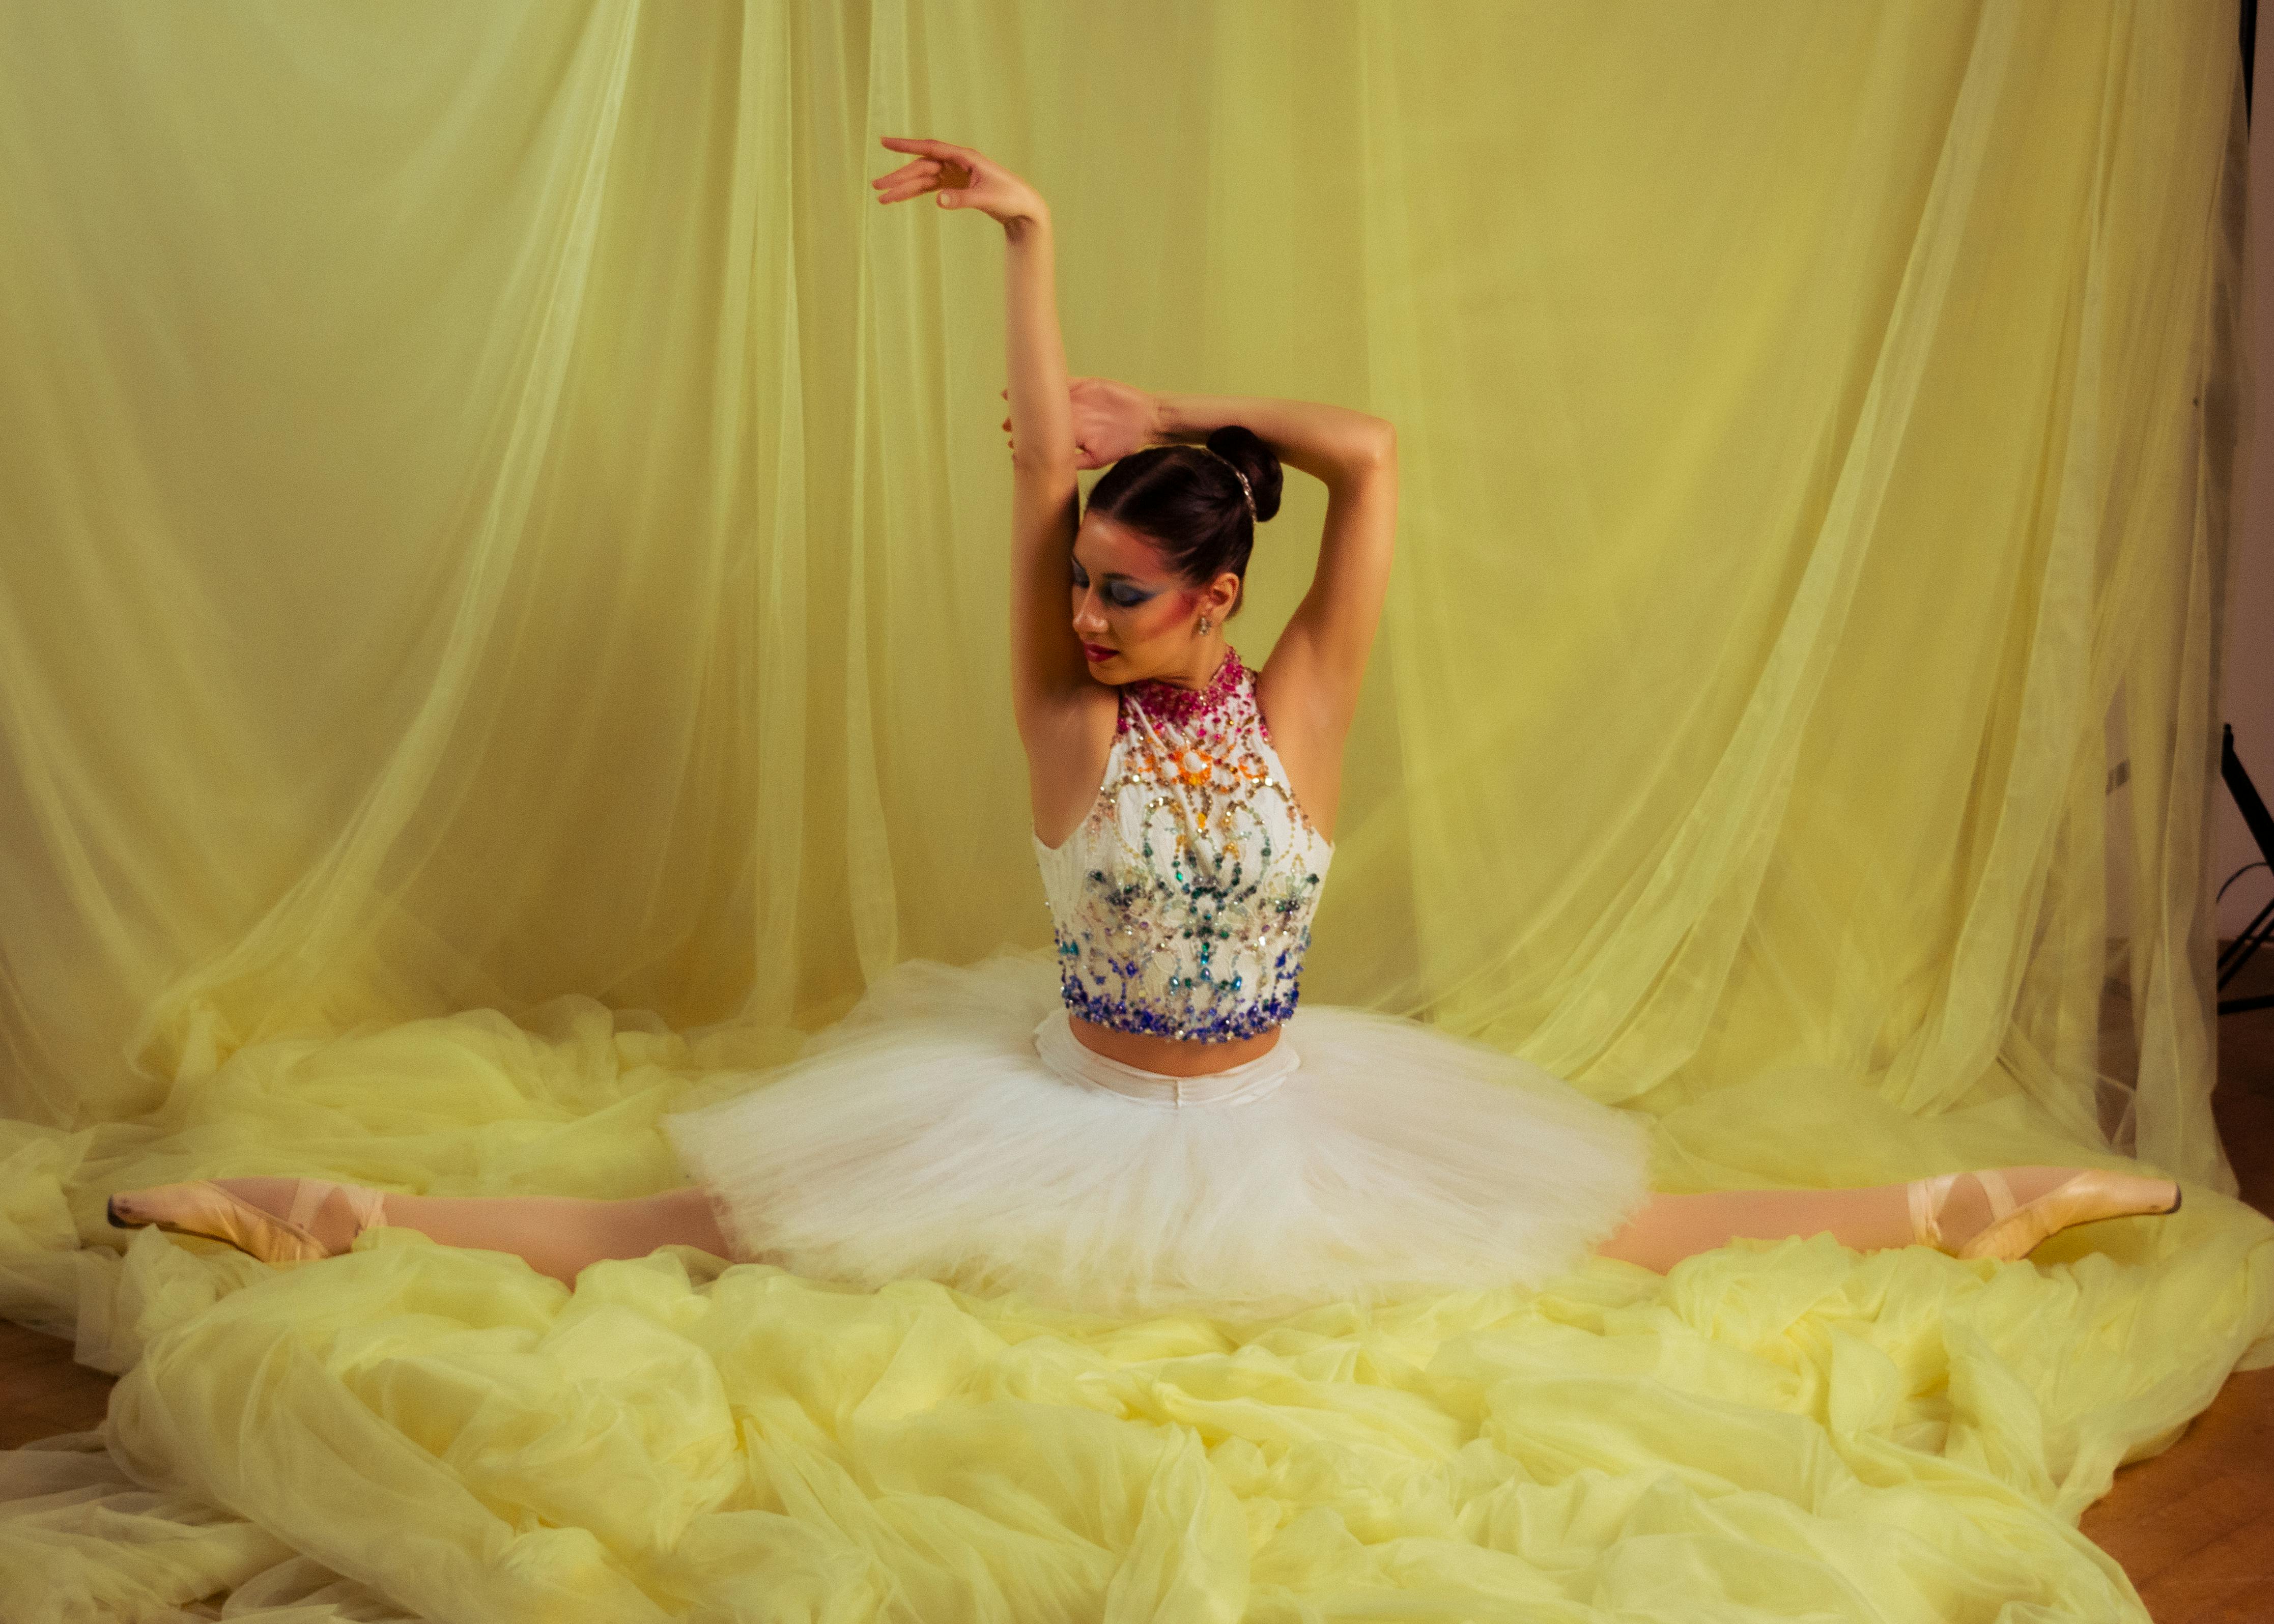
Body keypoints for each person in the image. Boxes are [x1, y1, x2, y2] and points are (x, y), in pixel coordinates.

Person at [108, 136, 2182, 1320]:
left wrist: (1179, 405)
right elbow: (1038, 465)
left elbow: (1369, 451)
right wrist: (1031, 246)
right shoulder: (1067, 724)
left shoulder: (1303, 704)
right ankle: (331, 1216)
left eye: (1122, 589)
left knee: (1601, 1244)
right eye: (1080, 585)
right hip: (1068, 1110)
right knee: (704, 1244)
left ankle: (1957, 1208)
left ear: (1216, 599)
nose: (1083, 615)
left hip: (1277, 1110)